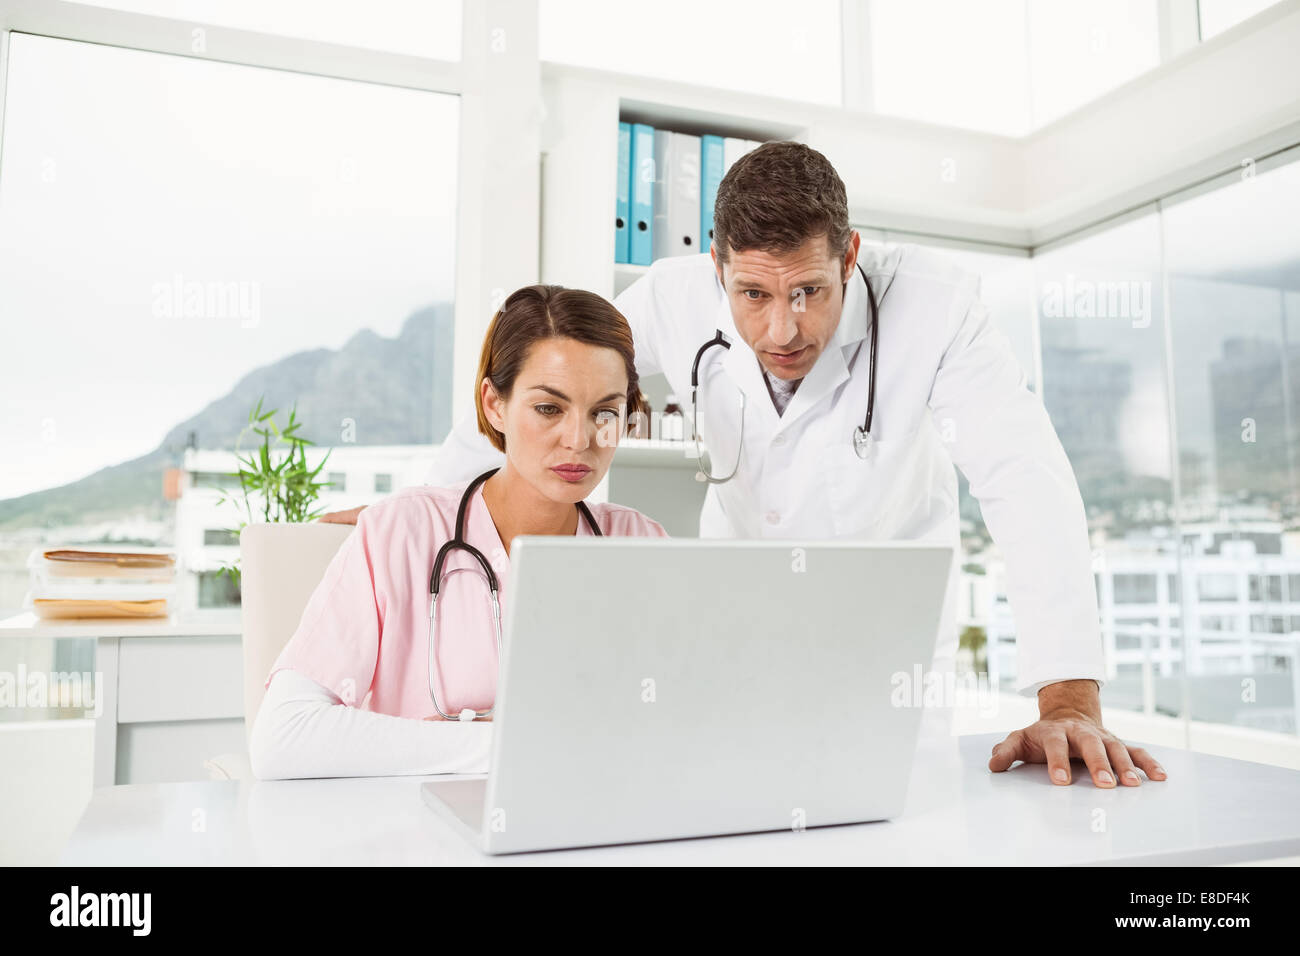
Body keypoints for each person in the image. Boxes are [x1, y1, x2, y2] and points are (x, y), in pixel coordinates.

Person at [323, 142, 1167, 790]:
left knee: (889, 839)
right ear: (717, 265)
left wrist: (1068, 697)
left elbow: (1023, 476)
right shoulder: (670, 295)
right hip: (729, 645)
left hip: (885, 652)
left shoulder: (937, 309)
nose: (782, 330)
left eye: (809, 291)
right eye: (752, 295)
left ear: (850, 255)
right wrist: (439, 507)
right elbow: (548, 373)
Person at [250, 285, 668, 779]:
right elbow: (284, 737)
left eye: (604, 412)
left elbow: (681, 720)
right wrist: (506, 747)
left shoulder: (640, 543)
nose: (579, 440)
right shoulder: (400, 533)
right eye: (549, 409)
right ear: (494, 405)